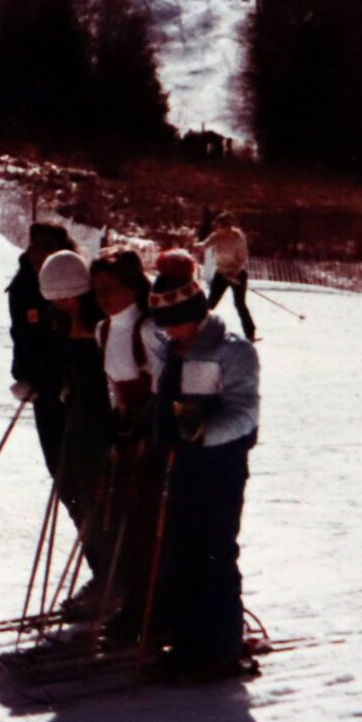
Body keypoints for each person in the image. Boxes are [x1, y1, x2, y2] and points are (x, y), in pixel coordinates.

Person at [144, 249, 260, 679]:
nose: (170, 331)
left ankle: (221, 648)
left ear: (196, 312)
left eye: (176, 322)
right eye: (165, 324)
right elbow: (162, 402)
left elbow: (245, 413)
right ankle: (188, 641)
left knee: (213, 553)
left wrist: (203, 432)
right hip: (180, 464)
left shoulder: (232, 350)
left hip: (219, 466)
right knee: (179, 551)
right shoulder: (170, 351)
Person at [87, 247, 166, 644]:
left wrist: (144, 424)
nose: (101, 296)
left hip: (153, 436)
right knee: (123, 524)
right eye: (96, 289)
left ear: (133, 287)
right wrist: (117, 424)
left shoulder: (147, 330)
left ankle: (156, 612)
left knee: (149, 526)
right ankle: (134, 608)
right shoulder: (103, 330)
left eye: (110, 288)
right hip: (127, 434)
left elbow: (166, 386)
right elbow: (114, 385)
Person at [37, 251, 113, 621]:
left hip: (101, 420)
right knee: (78, 496)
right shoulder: (62, 320)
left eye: (66, 298)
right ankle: (103, 576)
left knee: (101, 501)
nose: (61, 305)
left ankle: (116, 581)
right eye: (55, 299)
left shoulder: (99, 320)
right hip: (78, 418)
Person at [7, 222, 73, 480]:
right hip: (40, 381)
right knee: (55, 459)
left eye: (48, 248)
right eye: (36, 247)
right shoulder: (22, 286)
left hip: (72, 382)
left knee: (74, 458)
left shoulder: (74, 283)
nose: (40, 254)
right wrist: (21, 375)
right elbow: (19, 335)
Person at [196, 211, 257, 342]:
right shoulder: (216, 236)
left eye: (221, 226)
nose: (218, 229)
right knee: (210, 303)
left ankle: (250, 333)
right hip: (221, 273)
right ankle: (197, 330)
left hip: (237, 274)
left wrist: (234, 274)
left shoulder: (238, 238)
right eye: (217, 226)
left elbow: (243, 259)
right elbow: (205, 244)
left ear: (228, 227)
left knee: (239, 304)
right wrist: (196, 246)